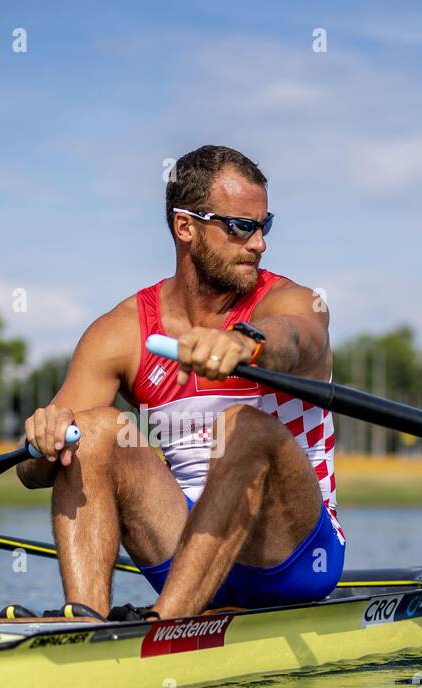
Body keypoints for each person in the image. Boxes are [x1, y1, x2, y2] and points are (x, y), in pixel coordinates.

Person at [17, 145, 343, 620]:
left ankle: (165, 626)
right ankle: (85, 622)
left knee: (242, 426)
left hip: (289, 557)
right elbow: (28, 474)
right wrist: (43, 444)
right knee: (93, 428)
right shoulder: (121, 331)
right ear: (185, 227)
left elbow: (298, 336)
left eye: (264, 225)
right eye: (240, 227)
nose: (259, 244)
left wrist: (245, 343)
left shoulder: (294, 302)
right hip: (180, 547)